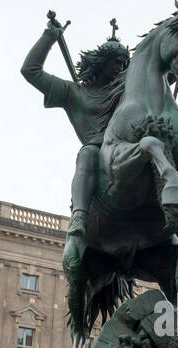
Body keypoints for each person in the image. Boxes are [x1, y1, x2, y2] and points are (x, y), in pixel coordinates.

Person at [20, 18, 129, 270]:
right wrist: (49, 37)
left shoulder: (127, 93)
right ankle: (80, 214)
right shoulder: (74, 93)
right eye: (116, 62)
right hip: (97, 154)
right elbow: (30, 71)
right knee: (88, 153)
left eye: (124, 64)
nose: (120, 67)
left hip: (126, 150)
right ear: (102, 63)